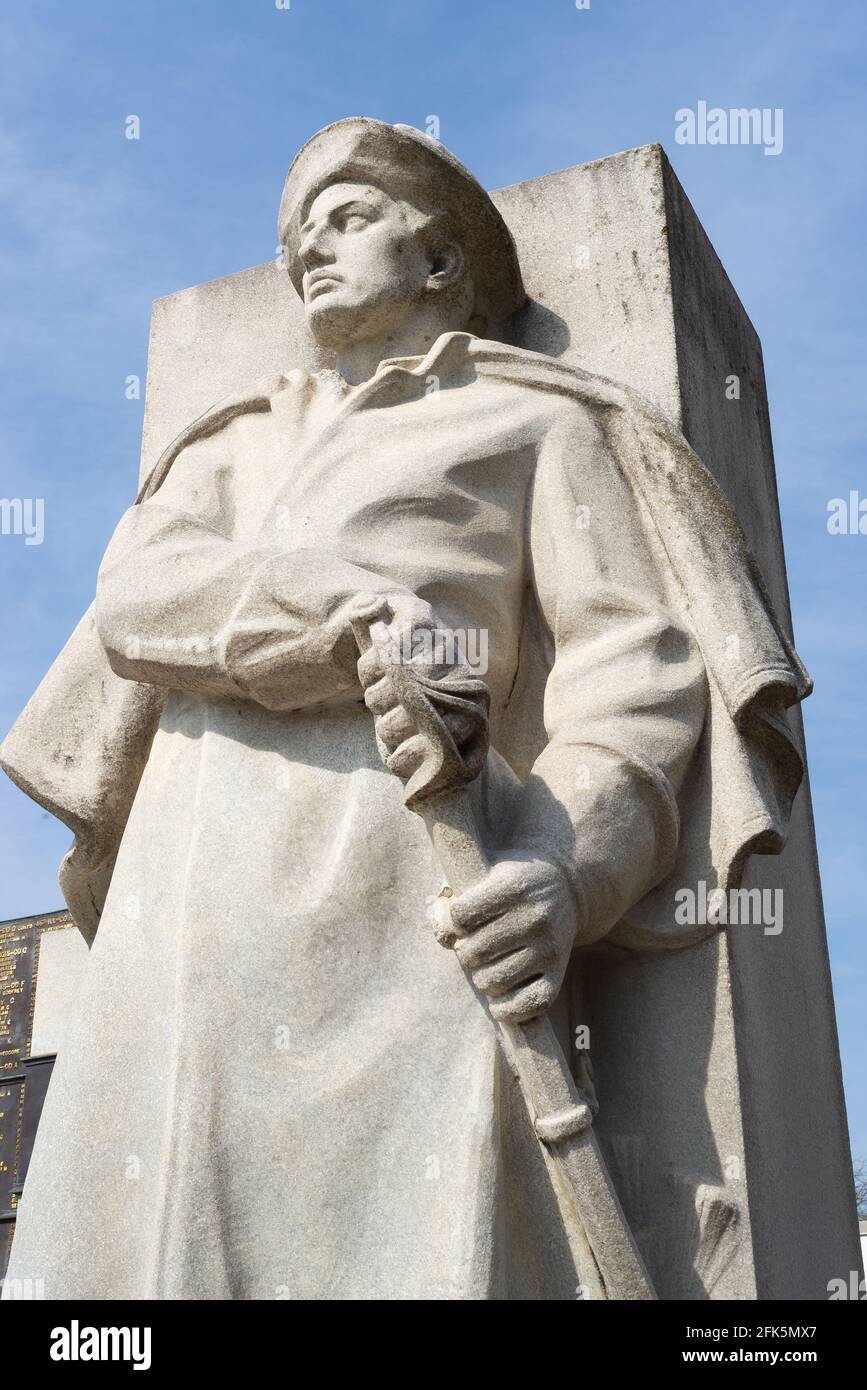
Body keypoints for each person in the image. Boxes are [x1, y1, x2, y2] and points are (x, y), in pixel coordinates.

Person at [1, 119, 809, 1300]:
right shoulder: (235, 444)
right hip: (191, 898)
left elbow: (632, 674)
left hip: (410, 884)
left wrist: (566, 869)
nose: (308, 254)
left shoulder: (538, 423)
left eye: (347, 216)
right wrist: (345, 605)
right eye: (294, 241)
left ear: (439, 261)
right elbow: (136, 603)